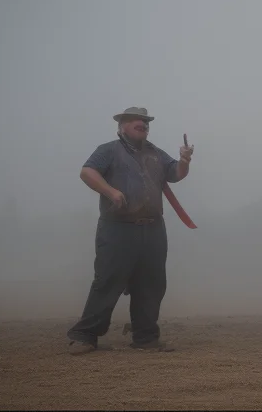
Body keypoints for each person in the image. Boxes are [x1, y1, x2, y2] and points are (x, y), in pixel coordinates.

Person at [67, 106, 194, 355]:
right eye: (137, 120)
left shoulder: (156, 153)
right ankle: (85, 336)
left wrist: (184, 160)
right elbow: (87, 172)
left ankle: (145, 338)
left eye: (146, 121)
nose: (143, 124)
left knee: (152, 284)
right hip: (117, 228)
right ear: (122, 126)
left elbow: (176, 174)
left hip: (153, 229)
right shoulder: (108, 150)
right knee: (107, 281)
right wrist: (111, 191)